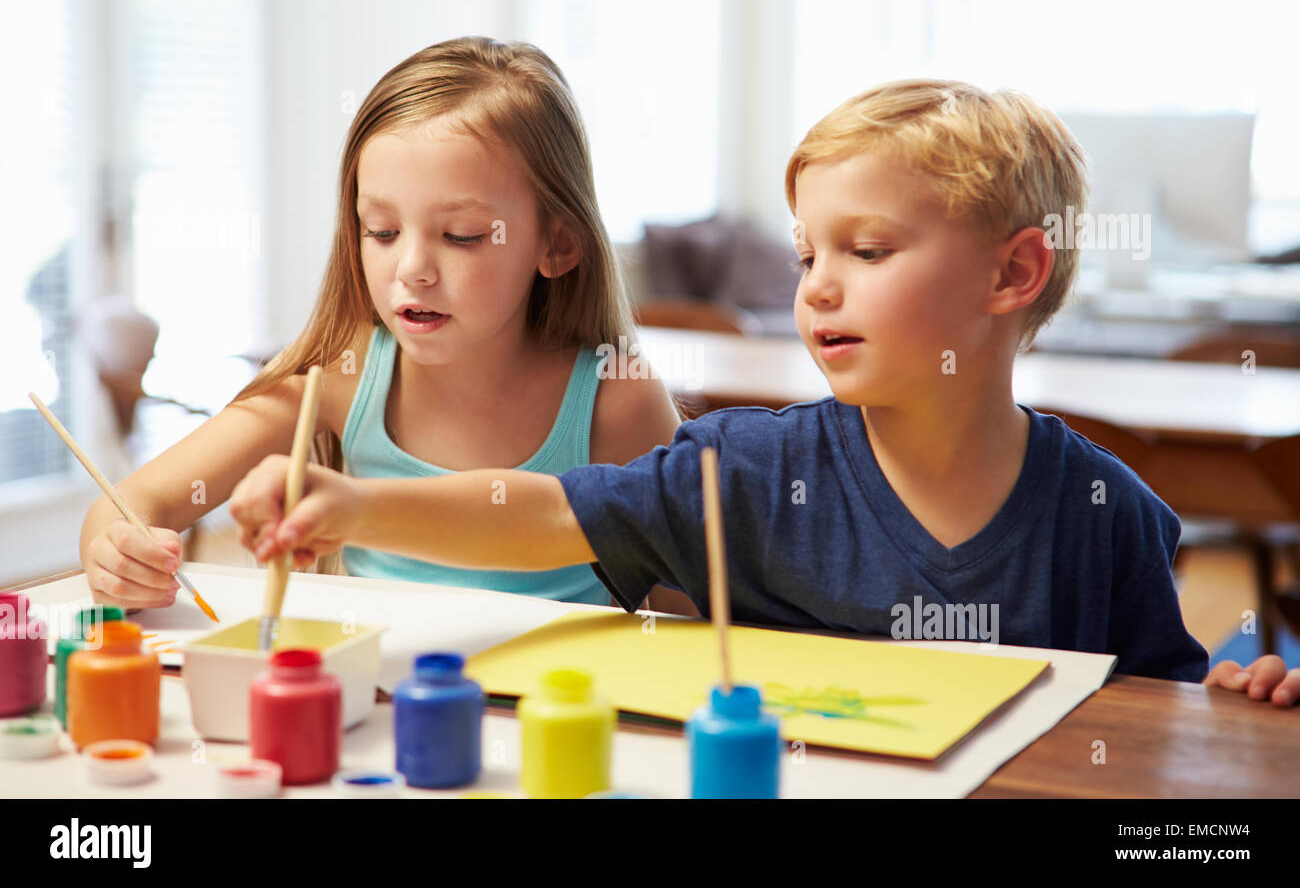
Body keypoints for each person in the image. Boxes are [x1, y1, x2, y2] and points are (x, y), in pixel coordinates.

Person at [229, 79, 1299, 706]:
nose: (817, 286)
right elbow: (542, 511)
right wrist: (358, 505)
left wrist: (1229, 695)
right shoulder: (740, 467)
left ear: (1012, 272)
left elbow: (1157, 707)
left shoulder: (1106, 513)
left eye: (866, 250)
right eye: (805, 255)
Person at [79, 37, 679, 609]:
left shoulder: (617, 402)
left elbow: (695, 614)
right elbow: (132, 502)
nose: (412, 268)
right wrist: (118, 549)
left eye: (462, 235)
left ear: (558, 244)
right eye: (382, 231)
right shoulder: (343, 373)